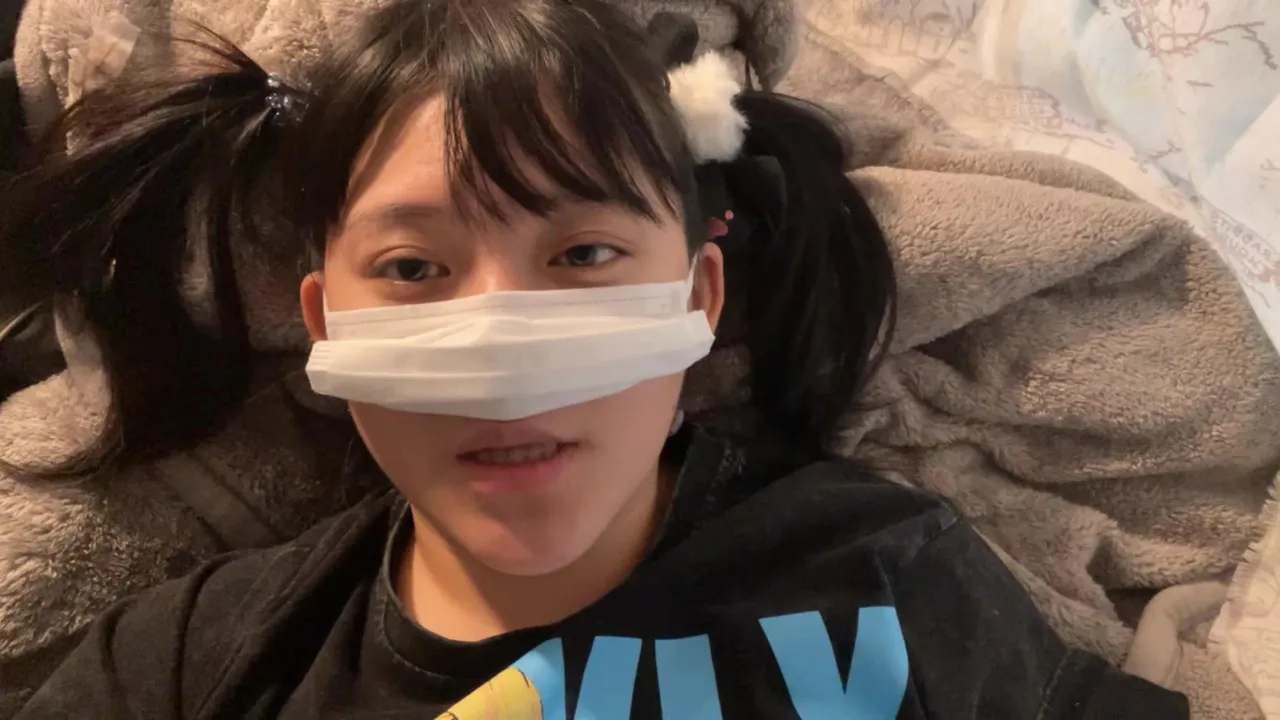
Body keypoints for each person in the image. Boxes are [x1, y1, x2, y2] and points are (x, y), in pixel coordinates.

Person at [8, 0, 1188, 717]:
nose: (503, 355)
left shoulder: (881, 573)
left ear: (698, 295)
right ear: (324, 325)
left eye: (581, 253)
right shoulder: (187, 663)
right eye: (413, 268)